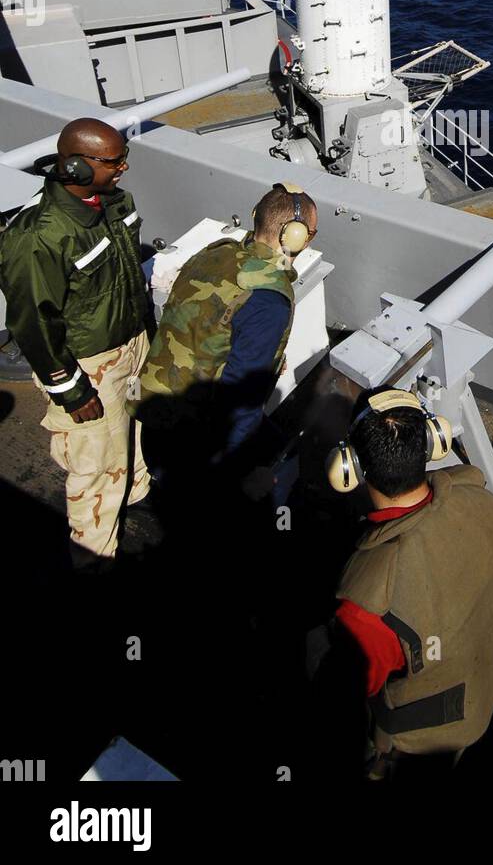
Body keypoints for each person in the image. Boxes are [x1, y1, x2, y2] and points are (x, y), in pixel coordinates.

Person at [326, 388, 493, 780]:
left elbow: (351, 689)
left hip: (417, 742)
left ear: (351, 468)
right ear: (432, 441)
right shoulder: (478, 498)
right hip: (481, 695)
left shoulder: (366, 599)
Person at [0, 118, 152, 560]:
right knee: (93, 460)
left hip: (132, 347)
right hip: (92, 363)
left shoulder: (116, 201)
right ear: (76, 168)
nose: (123, 167)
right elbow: (32, 322)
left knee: (133, 426)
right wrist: (70, 388)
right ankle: (93, 554)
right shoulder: (38, 236)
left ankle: (134, 493)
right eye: (114, 161)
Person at [134, 181, 317, 489]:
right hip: (196, 442)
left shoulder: (216, 253)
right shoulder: (267, 298)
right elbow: (241, 397)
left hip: (155, 413)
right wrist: (241, 472)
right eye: (310, 234)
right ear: (295, 238)